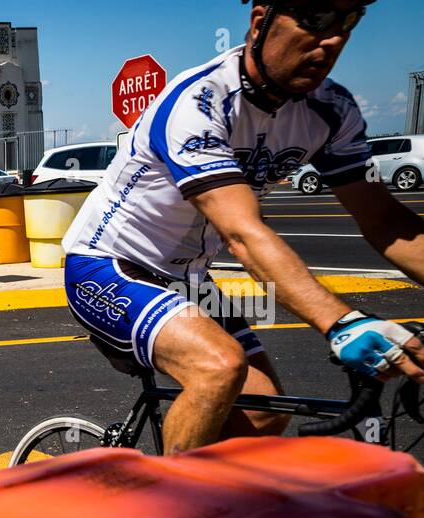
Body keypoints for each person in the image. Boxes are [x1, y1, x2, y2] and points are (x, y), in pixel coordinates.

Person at [60, 0, 424, 453]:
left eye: (348, 21)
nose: (332, 38)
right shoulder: (199, 102)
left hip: (187, 278)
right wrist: (341, 323)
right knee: (218, 368)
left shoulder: (331, 110)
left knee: (263, 412)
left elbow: (387, 220)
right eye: (317, 17)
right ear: (260, 22)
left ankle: (209, 497)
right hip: (109, 265)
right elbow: (242, 233)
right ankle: (170, 517)